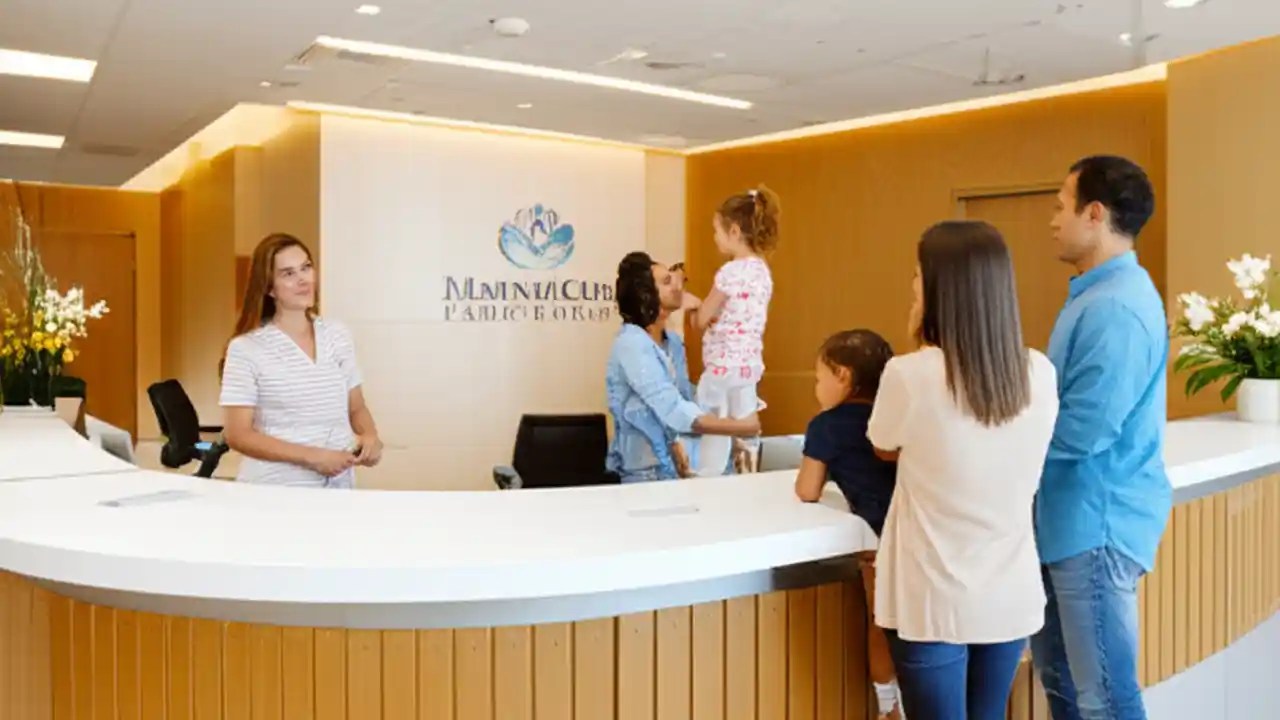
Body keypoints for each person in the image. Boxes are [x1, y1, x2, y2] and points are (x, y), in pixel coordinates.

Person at [867, 221, 1060, 720]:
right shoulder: (1038, 372)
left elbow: (883, 444)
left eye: (917, 275)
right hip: (1007, 595)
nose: (911, 285)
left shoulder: (910, 375)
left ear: (938, 288)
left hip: (931, 598)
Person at [1032, 156, 1170, 720]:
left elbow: (1083, 429)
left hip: (1095, 527)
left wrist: (998, 452)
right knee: (1065, 689)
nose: (1052, 220)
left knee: (1106, 700)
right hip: (1067, 524)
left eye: (1060, 205)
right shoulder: (1094, 295)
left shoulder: (1116, 307)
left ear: (1095, 213)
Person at [794, 329, 901, 720]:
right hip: (918, 532)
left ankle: (889, 709)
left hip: (876, 542)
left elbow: (807, 489)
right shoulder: (895, 416)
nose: (816, 388)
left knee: (881, 624)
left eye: (818, 378)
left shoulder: (827, 426)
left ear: (842, 375)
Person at [219, 233, 383, 488]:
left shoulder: (336, 335)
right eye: (288, 273)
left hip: (338, 487)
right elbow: (238, 434)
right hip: (276, 489)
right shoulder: (246, 348)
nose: (303, 280)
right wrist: (315, 458)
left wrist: (370, 436)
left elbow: (356, 408)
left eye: (306, 267)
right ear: (269, 287)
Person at [606, 251, 760, 483]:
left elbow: (687, 398)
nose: (678, 286)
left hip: (675, 469)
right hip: (645, 475)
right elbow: (674, 410)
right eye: (667, 282)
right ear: (646, 295)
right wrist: (739, 427)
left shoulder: (673, 343)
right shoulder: (632, 344)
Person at [686, 185, 779, 477]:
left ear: (734, 231)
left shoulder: (730, 272)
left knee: (711, 443)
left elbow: (702, 319)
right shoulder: (762, 270)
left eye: (717, 231)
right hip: (748, 367)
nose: (715, 237)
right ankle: (747, 481)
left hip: (721, 368)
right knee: (745, 436)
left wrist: (692, 307)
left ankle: (706, 486)